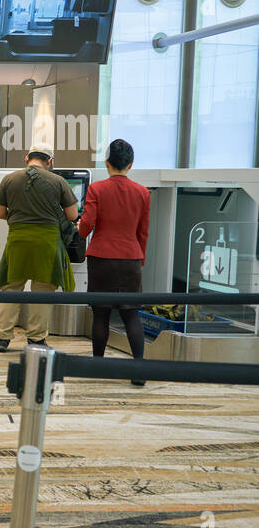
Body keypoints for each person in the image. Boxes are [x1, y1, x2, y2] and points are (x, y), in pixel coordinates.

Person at [0, 148, 77, 352]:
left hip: (18, 240)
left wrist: (18, 215)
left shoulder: (9, 179)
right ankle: (36, 339)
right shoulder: (58, 181)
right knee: (43, 290)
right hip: (47, 242)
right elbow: (72, 215)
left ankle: (1, 337)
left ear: (27, 159)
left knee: (11, 288)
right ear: (49, 161)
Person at [79, 139, 150, 385]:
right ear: (131, 164)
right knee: (132, 316)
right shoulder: (143, 192)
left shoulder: (97, 189)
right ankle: (139, 370)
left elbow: (86, 226)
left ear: (107, 163)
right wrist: (139, 257)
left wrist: (80, 229)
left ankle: (98, 366)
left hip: (101, 257)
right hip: (131, 259)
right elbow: (143, 231)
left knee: (101, 315)